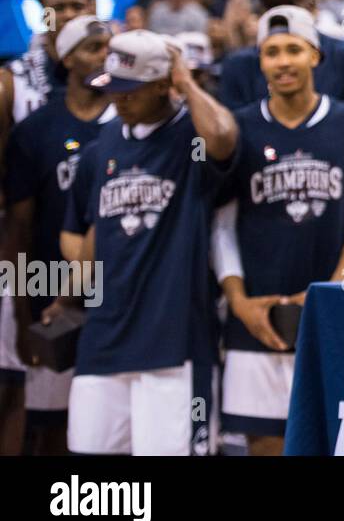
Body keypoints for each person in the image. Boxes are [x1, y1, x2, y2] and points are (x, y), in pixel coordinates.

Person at [214, 7, 344, 454]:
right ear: (259, 61)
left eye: (293, 49)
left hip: (331, 316)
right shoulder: (238, 127)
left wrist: (330, 296)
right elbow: (221, 225)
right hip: (256, 322)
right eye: (271, 52)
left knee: (338, 440)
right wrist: (238, 303)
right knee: (265, 445)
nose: (283, 61)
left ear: (315, 55)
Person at [61, 30, 238, 455]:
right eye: (113, 89)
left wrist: (187, 83)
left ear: (163, 84)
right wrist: (67, 295)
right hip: (104, 338)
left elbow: (224, 138)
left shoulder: (190, 139)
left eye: (130, 91)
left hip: (173, 341)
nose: (118, 101)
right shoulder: (100, 147)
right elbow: (87, 232)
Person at [1, 17, 114, 455]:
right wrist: (23, 315)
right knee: (52, 427)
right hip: (52, 292)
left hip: (120, 295)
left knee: (111, 426)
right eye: (92, 48)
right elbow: (19, 228)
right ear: (66, 59)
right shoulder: (34, 131)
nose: (104, 55)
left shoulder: (131, 123)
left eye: (108, 46)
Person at [0, 0, 95, 159]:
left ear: (91, 9)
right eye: (57, 8)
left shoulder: (115, 72)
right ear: (44, 15)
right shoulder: (12, 79)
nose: (68, 15)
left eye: (77, 6)